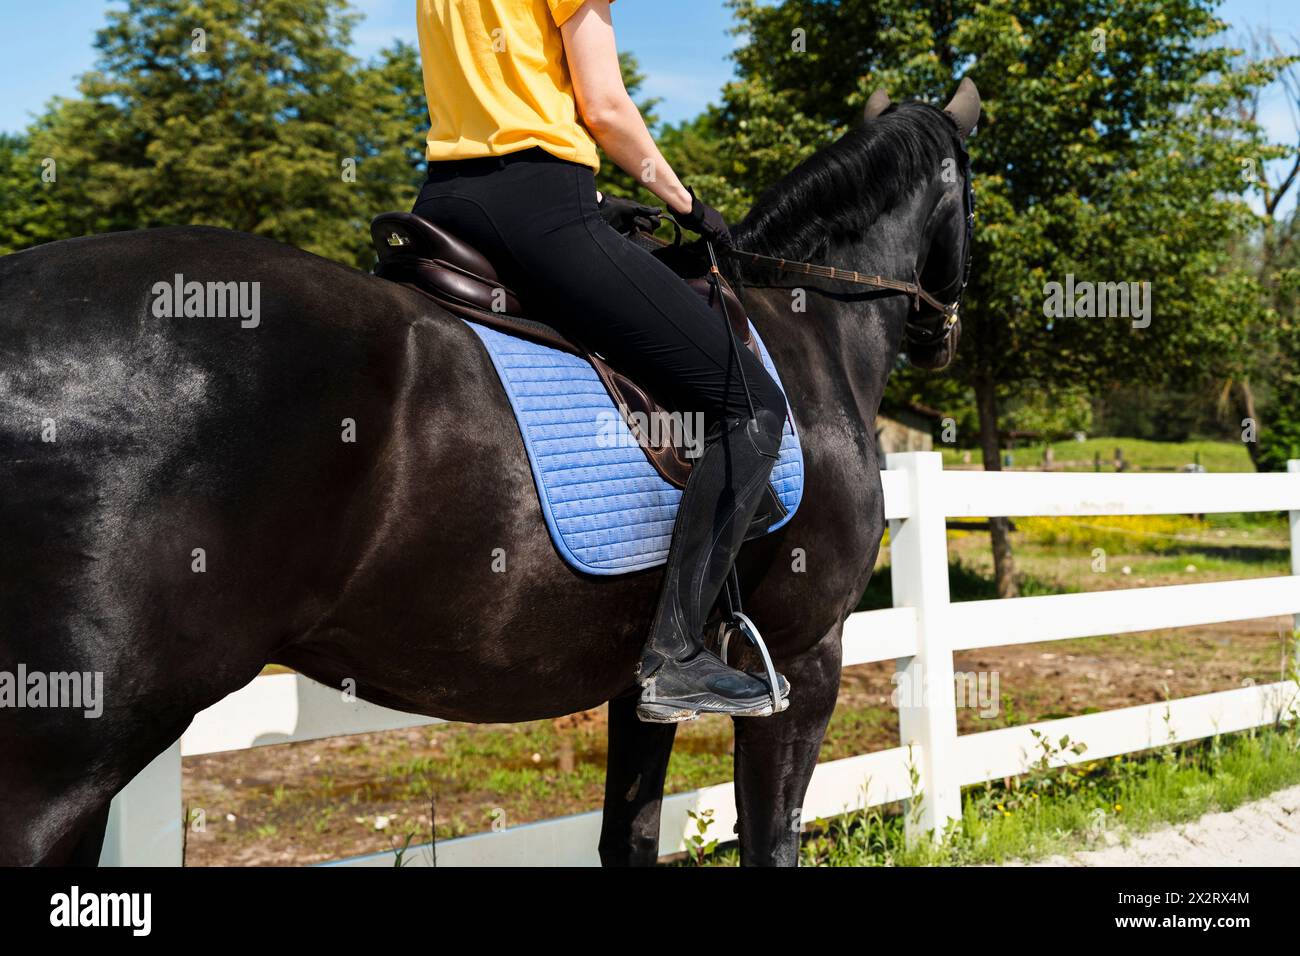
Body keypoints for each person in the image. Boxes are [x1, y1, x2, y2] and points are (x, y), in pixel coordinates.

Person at [413, 0, 790, 722]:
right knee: (751, 405)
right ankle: (676, 657)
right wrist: (686, 204)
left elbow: (499, 93)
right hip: (537, 206)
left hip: (443, 201)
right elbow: (606, 107)